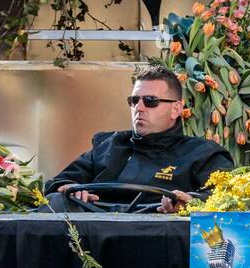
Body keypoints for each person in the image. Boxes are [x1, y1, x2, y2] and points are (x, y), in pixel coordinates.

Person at [44, 65, 234, 213]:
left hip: (160, 243)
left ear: (176, 109)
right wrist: (71, 189)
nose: (139, 108)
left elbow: (228, 198)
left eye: (150, 101)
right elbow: (57, 183)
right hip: (92, 240)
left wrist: (190, 202)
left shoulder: (202, 154)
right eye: (134, 101)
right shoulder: (109, 145)